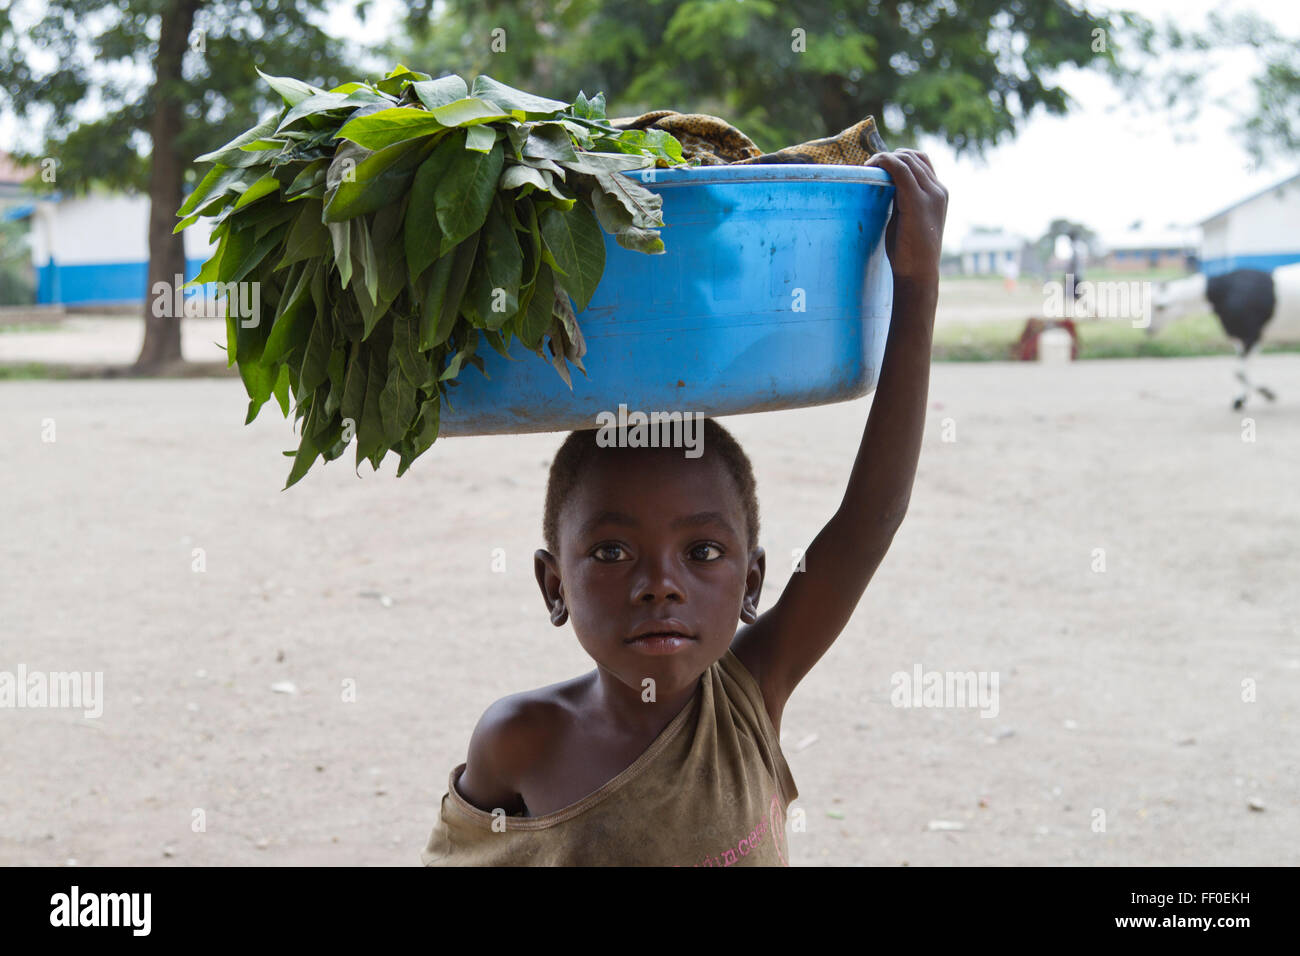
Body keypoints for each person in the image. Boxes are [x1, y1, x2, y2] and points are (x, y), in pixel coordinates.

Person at [420, 149, 949, 866]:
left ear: (753, 583)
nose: (660, 584)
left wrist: (917, 286)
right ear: (554, 587)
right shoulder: (518, 741)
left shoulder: (750, 695)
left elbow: (871, 520)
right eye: (611, 552)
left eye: (703, 553)